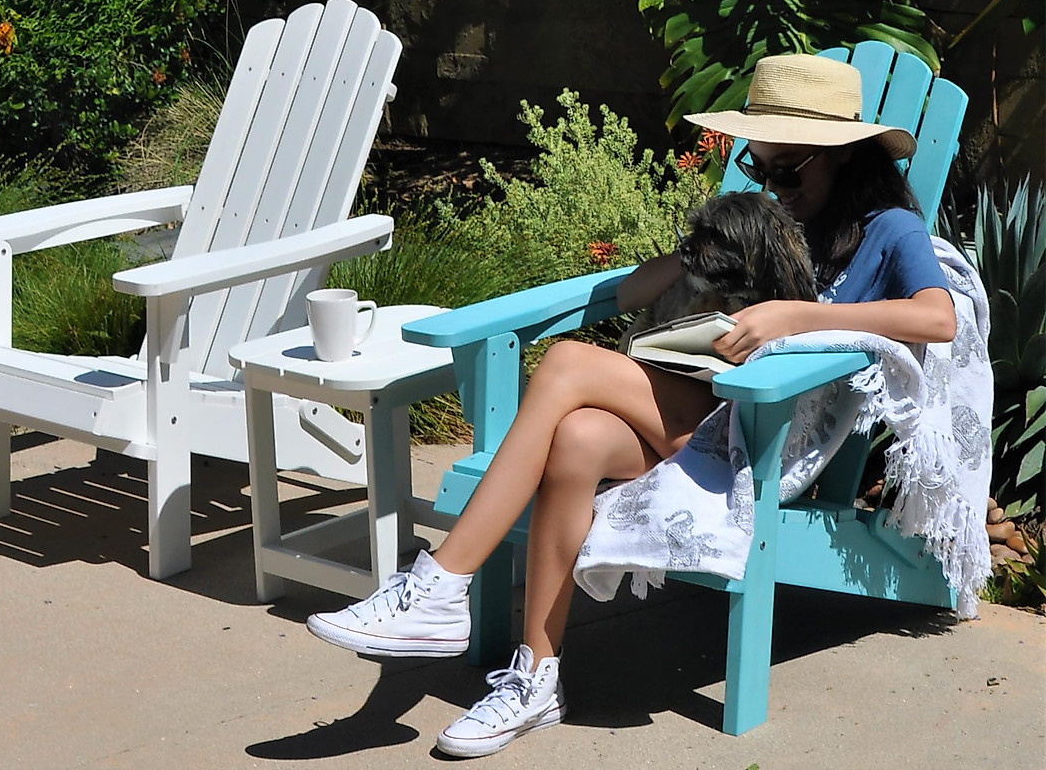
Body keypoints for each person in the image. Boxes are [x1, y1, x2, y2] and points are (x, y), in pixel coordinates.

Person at [305, 53, 957, 759]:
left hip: (765, 433)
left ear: (845, 155)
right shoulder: (766, 220)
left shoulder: (886, 227)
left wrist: (793, 318)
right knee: (579, 437)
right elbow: (629, 295)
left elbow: (937, 319)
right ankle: (536, 677)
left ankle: (439, 585)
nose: (773, 185)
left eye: (787, 170)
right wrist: (700, 252)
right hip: (701, 407)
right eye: (757, 168)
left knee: (563, 363)